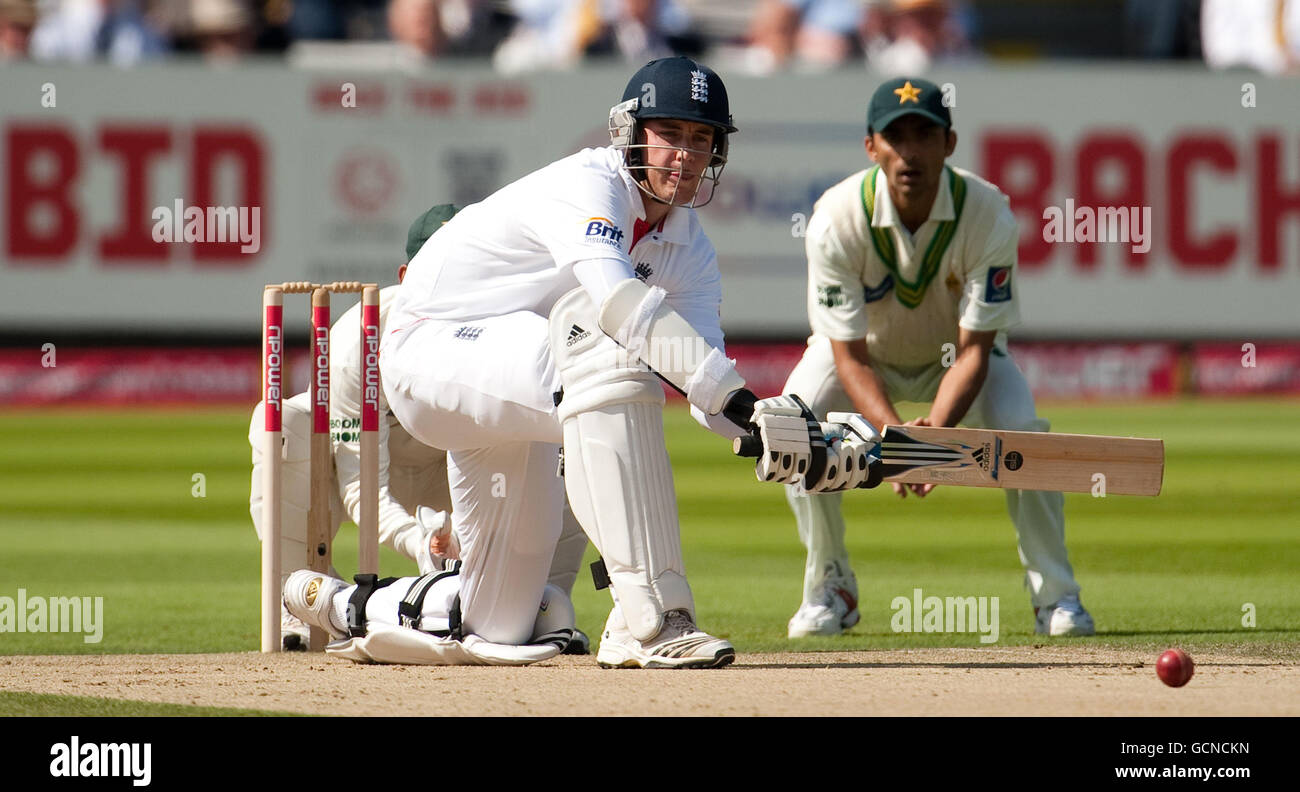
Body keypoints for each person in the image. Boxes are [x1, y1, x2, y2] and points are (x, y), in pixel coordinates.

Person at [285, 55, 864, 668]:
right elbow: (618, 306)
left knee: (502, 620)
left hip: (519, 394)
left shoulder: (689, 249)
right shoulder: (590, 185)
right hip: (427, 352)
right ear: (629, 131)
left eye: (702, 138)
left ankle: (342, 603)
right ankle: (651, 620)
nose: (685, 154)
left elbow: (705, 386)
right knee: (605, 346)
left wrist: (803, 436)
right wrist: (746, 408)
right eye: (669, 133)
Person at [780, 76, 1095, 639]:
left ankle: (1056, 597)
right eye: (895, 137)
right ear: (871, 146)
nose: (910, 152)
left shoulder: (988, 213)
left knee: (1025, 433)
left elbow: (974, 349)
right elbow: (848, 359)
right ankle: (830, 585)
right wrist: (901, 441)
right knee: (795, 425)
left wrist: (934, 439)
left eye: (924, 135)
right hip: (866, 358)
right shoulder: (835, 219)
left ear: (949, 143)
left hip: (958, 362)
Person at [251, 204, 590, 653]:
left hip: (460, 473)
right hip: (356, 473)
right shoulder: (360, 340)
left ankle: (544, 607)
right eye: (442, 264)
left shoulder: (513, 327)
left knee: (572, 435)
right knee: (285, 423)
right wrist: (418, 539)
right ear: (408, 274)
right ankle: (298, 602)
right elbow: (361, 484)